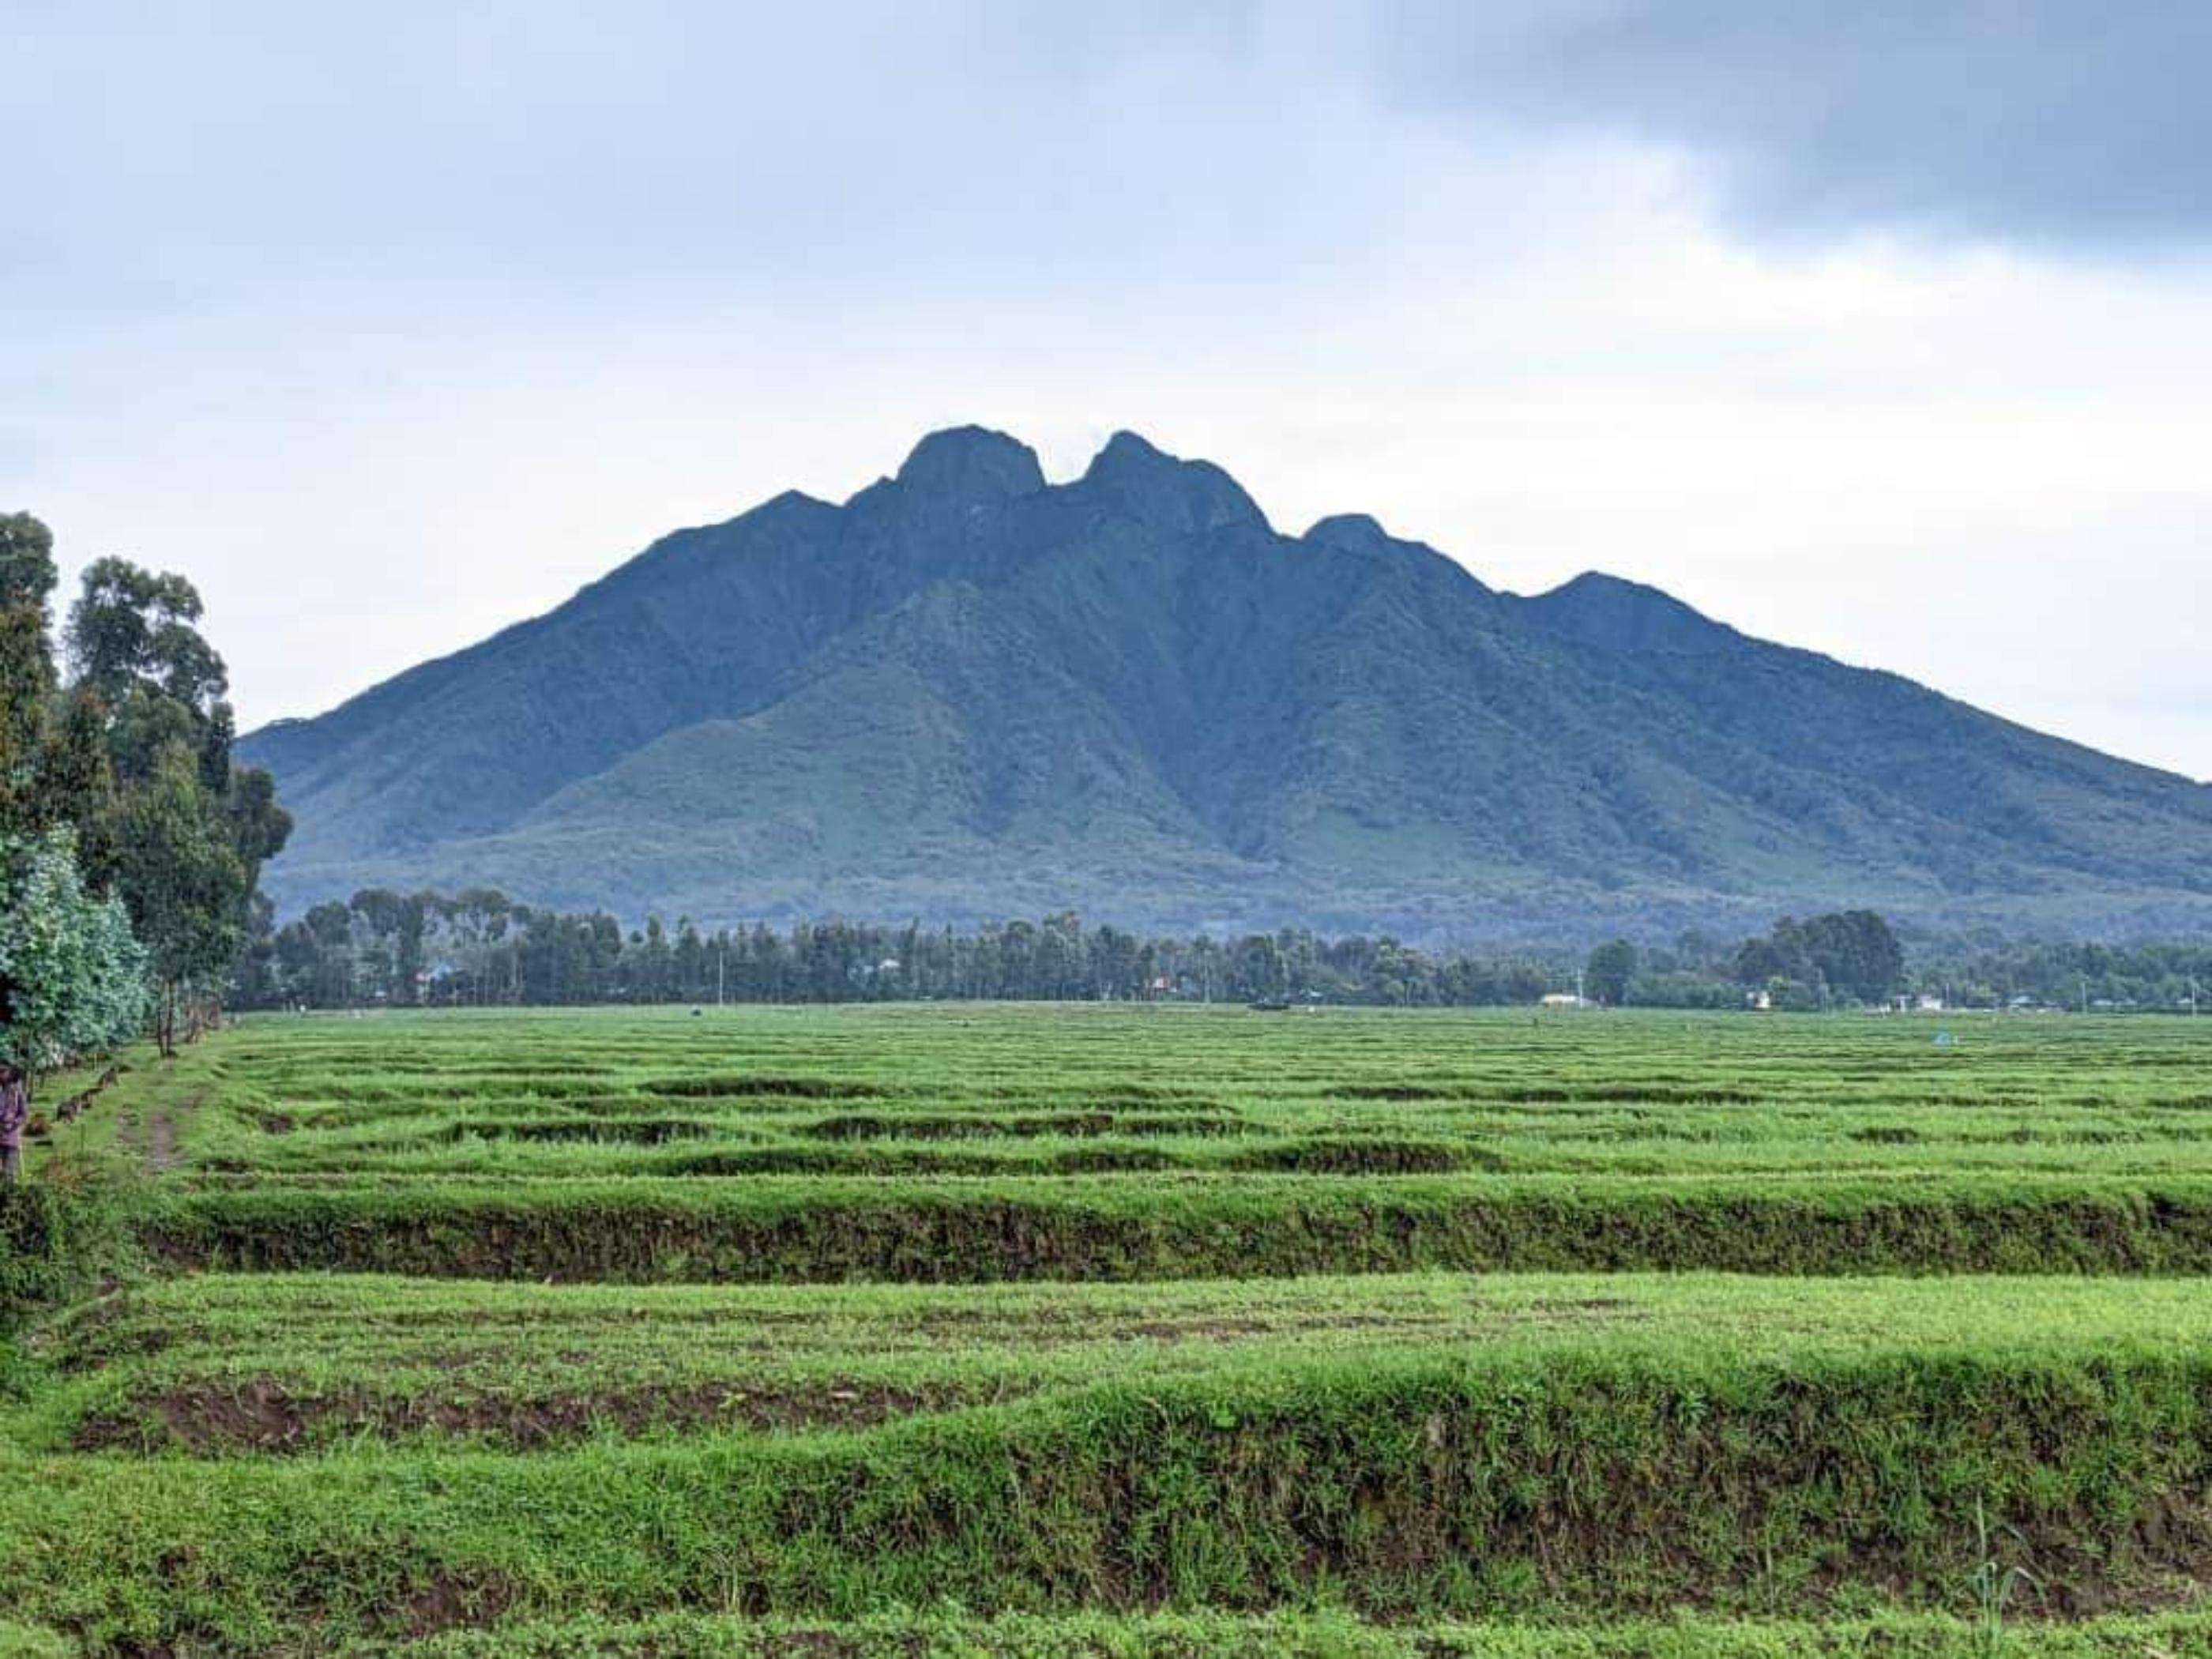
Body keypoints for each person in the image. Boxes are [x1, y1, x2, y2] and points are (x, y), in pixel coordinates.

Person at [0, 1063, 27, 1186]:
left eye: (3, 1072)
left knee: (10, 1173)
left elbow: (23, 1114)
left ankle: (10, 1197)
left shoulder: (17, 1092)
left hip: (10, 1137)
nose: (1, 1075)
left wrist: (13, 1123)